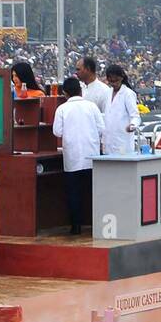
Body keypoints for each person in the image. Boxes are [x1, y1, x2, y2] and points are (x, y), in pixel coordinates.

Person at [52, 76, 104, 235]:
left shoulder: (61, 109)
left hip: (72, 158)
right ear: (80, 91)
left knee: (74, 193)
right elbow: (102, 128)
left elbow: (57, 132)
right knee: (93, 191)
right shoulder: (92, 106)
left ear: (65, 93)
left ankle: (76, 226)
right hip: (91, 157)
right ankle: (98, 224)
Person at [101, 63, 141, 155]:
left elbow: (135, 116)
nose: (113, 83)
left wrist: (132, 125)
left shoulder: (128, 94)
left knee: (122, 165)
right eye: (111, 81)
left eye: (116, 81)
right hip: (108, 141)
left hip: (122, 141)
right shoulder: (107, 93)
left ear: (121, 78)